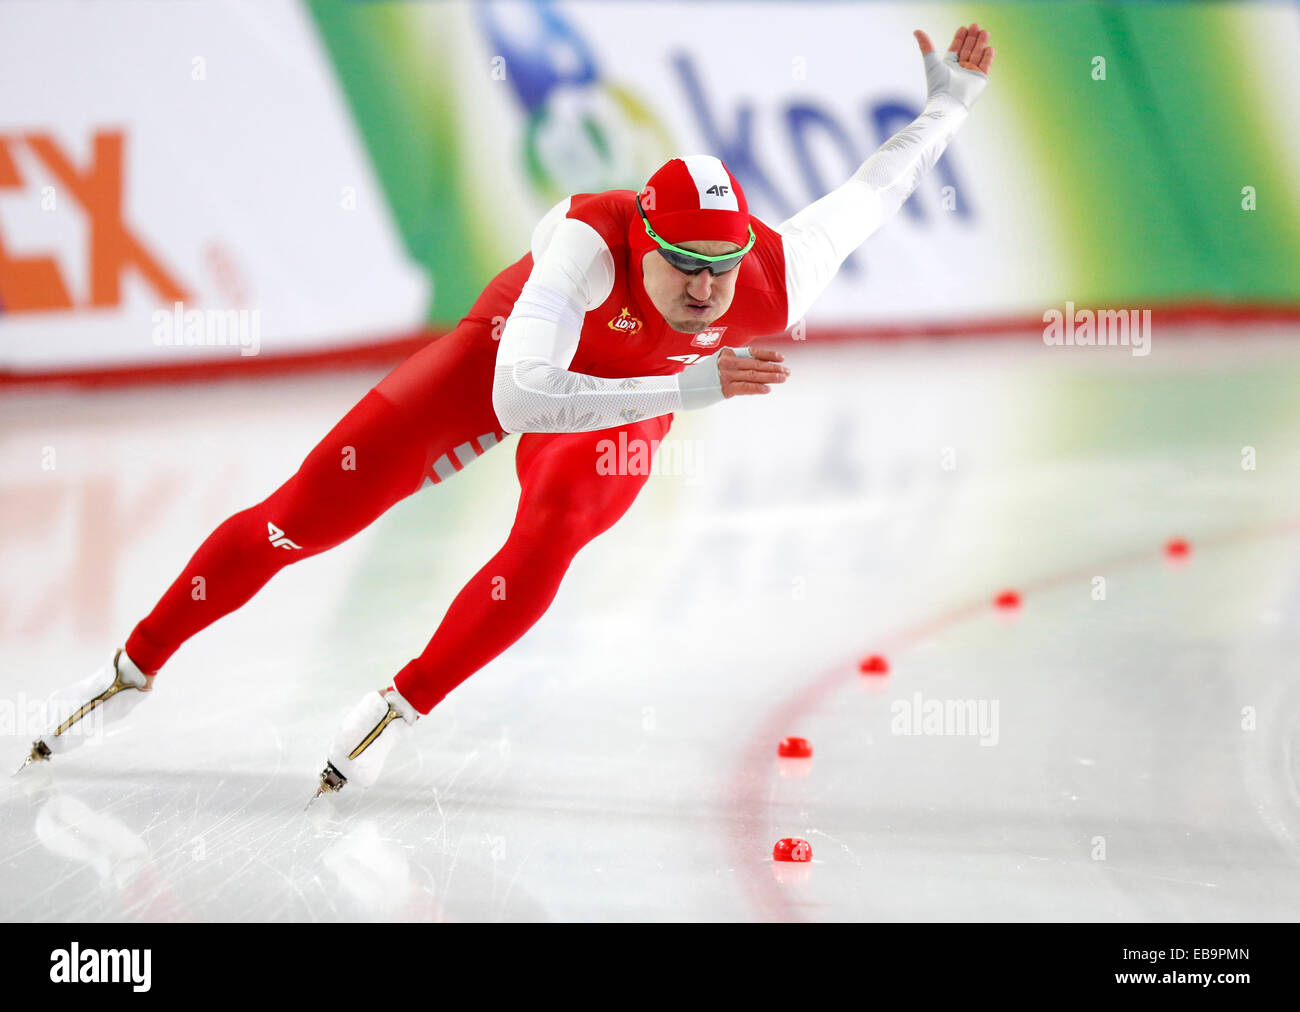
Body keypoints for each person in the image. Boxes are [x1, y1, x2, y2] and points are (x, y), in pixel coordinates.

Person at [21, 25, 995, 801]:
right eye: (686, 269)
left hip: (615, 411)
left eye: (722, 269)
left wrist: (947, 106)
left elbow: (878, 187)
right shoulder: (582, 237)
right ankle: (130, 669)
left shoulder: (773, 282)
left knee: (554, 532)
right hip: (500, 359)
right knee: (296, 519)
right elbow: (518, 396)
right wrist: (690, 388)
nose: (707, 292)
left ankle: (397, 709)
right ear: (642, 241)